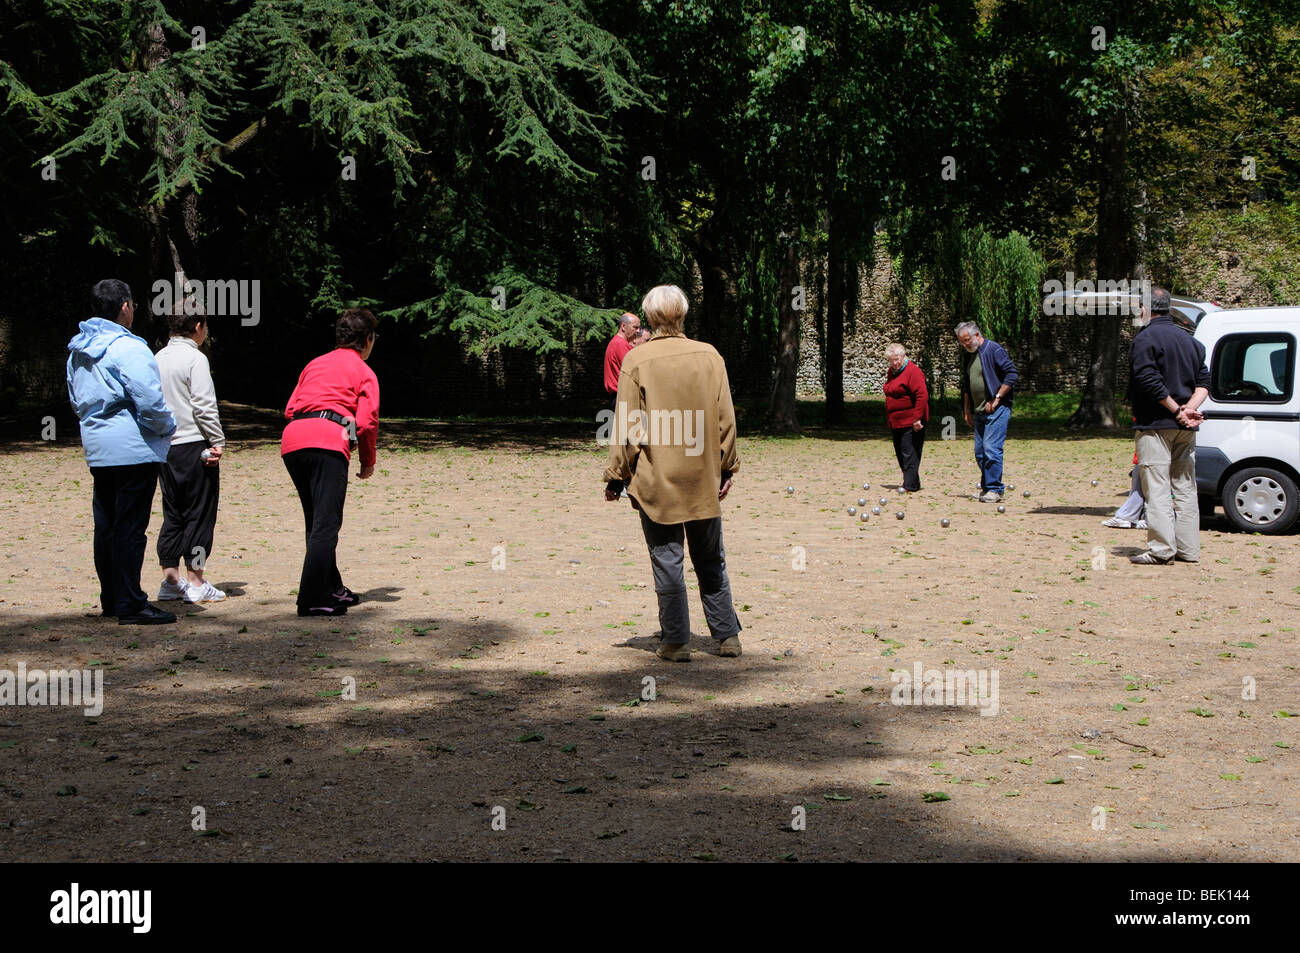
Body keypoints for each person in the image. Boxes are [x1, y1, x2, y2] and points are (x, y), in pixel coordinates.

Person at [603, 285, 741, 662]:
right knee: (711, 559)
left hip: (657, 478)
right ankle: (728, 637)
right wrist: (727, 465)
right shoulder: (710, 356)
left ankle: (677, 641)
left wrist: (617, 474)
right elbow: (726, 419)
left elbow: (627, 424)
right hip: (701, 475)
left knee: (667, 559)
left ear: (648, 318)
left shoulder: (638, 360)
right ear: (682, 314)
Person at [66, 279, 177, 624]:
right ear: (125, 306)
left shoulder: (78, 351)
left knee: (108, 526)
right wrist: (166, 427)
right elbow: (149, 398)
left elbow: (75, 400)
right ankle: (131, 602)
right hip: (134, 448)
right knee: (130, 528)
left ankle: (113, 599)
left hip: (99, 448)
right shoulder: (129, 347)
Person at [281, 309, 381, 616]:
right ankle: (311, 599)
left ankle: (331, 587)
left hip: (294, 441)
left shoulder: (315, 363)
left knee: (318, 522)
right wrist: (366, 460)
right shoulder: (364, 372)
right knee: (326, 524)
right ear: (368, 340)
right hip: (327, 444)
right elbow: (366, 422)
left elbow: (290, 409)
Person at [1127, 287, 1209, 564]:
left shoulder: (1145, 339)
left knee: (1158, 487)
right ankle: (1189, 550)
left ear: (1145, 309)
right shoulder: (1192, 342)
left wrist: (1177, 411)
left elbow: (1149, 381)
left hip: (1155, 425)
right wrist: (1189, 410)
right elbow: (1204, 382)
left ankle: (1162, 550)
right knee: (1185, 488)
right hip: (1185, 427)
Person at [155, 299, 227, 603]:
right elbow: (203, 404)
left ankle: (170, 582)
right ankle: (196, 582)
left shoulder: (156, 357)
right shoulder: (195, 359)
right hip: (194, 445)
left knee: (173, 512)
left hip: (165, 447)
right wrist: (217, 439)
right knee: (199, 512)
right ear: (198, 326)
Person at [957, 322, 1019, 502]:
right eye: (962, 342)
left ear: (977, 335)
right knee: (980, 452)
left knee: (991, 449)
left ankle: (995, 489)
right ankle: (987, 488)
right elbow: (967, 385)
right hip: (978, 411)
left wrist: (998, 397)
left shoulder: (993, 349)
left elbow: (1012, 374)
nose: (965, 345)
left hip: (997, 409)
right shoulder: (969, 355)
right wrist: (967, 410)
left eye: (967, 340)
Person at [881, 343, 929, 492]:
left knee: (910, 453)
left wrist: (917, 418)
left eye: (897, 359)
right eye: (891, 360)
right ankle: (913, 482)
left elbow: (922, 395)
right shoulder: (892, 371)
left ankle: (909, 485)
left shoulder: (913, 371)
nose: (894, 363)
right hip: (896, 421)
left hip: (912, 420)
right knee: (900, 452)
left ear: (903, 356)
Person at [603, 312, 640, 408]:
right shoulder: (620, 344)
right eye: (635, 327)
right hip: (622, 397)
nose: (638, 331)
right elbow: (634, 372)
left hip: (618, 397)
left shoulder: (616, 342)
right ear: (623, 326)